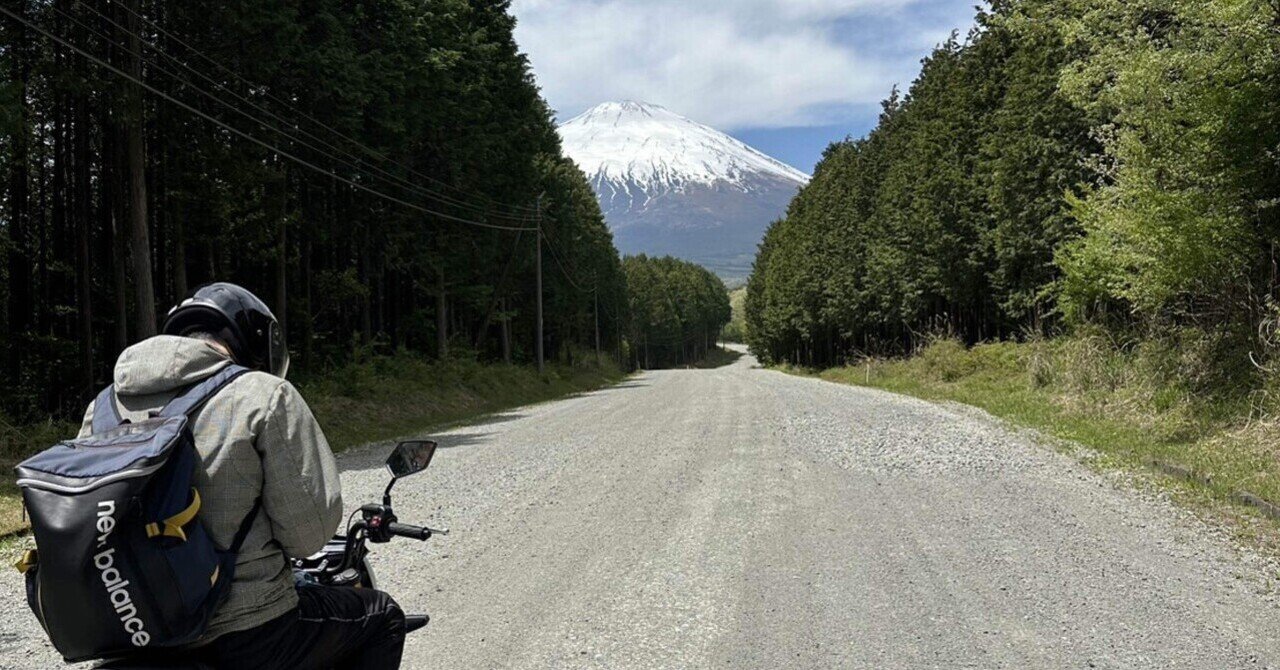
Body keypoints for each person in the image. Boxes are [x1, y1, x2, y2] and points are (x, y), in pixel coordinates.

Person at [82, 282, 406, 669]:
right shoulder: (263, 394)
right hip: (249, 629)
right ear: (255, 341)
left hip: (131, 628)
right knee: (382, 616)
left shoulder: (101, 408)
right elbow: (307, 537)